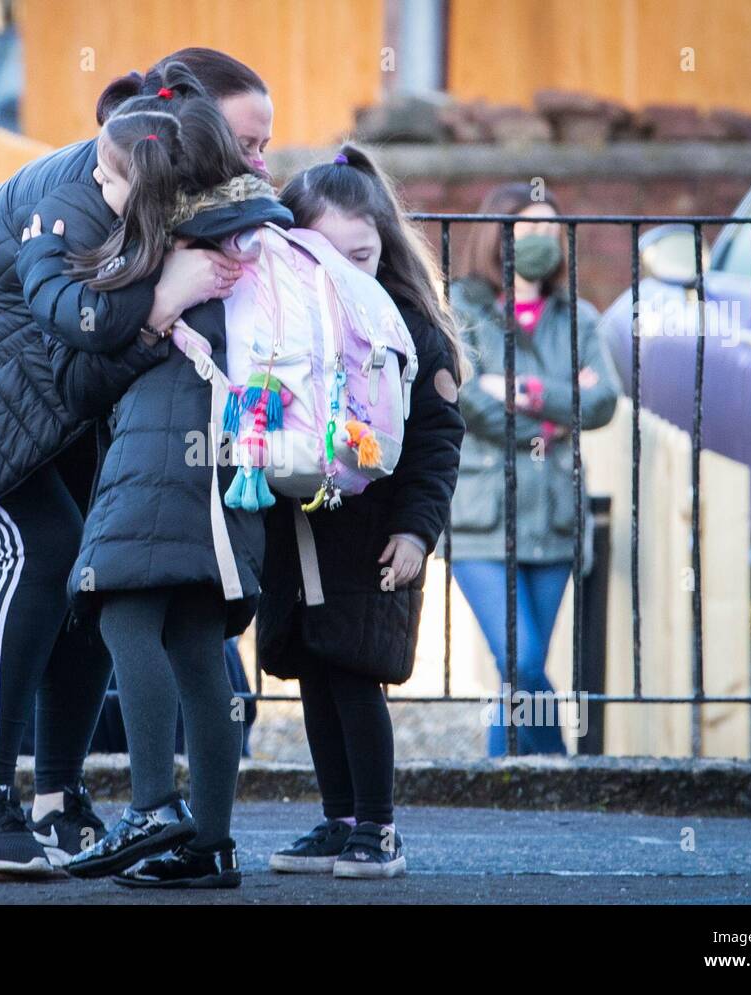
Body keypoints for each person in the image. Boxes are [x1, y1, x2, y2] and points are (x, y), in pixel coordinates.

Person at [0, 49, 270, 874]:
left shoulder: (172, 196)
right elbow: (66, 371)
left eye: (263, 145)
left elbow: (88, 377)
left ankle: (57, 798)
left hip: (35, 385)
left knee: (89, 562)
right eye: (249, 143)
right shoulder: (80, 202)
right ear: (189, 130)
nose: (261, 163)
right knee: (40, 547)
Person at [15, 66, 287, 889]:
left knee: (126, 618)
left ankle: (151, 807)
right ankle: (210, 843)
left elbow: (79, 361)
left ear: (149, 179)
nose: (95, 183)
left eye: (108, 172)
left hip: (163, 459)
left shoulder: (150, 249)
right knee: (198, 642)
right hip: (231, 465)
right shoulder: (248, 232)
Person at [255, 145, 465, 879]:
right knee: (315, 673)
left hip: (373, 538)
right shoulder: (282, 320)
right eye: (327, 256)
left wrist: (416, 529)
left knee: (353, 673)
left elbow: (438, 439)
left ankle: (378, 826)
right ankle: (338, 816)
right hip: (302, 530)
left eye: (363, 255)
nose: (348, 271)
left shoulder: (408, 326)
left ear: (384, 245)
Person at [447, 182, 619, 757]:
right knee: (518, 658)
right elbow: (472, 404)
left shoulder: (580, 318)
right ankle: (554, 772)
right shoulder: (461, 310)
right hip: (481, 520)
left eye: (552, 229)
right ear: (499, 236)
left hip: (554, 519)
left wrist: (525, 390)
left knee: (523, 672)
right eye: (529, 229)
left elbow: (603, 402)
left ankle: (515, 790)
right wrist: (554, 417)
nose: (544, 239)